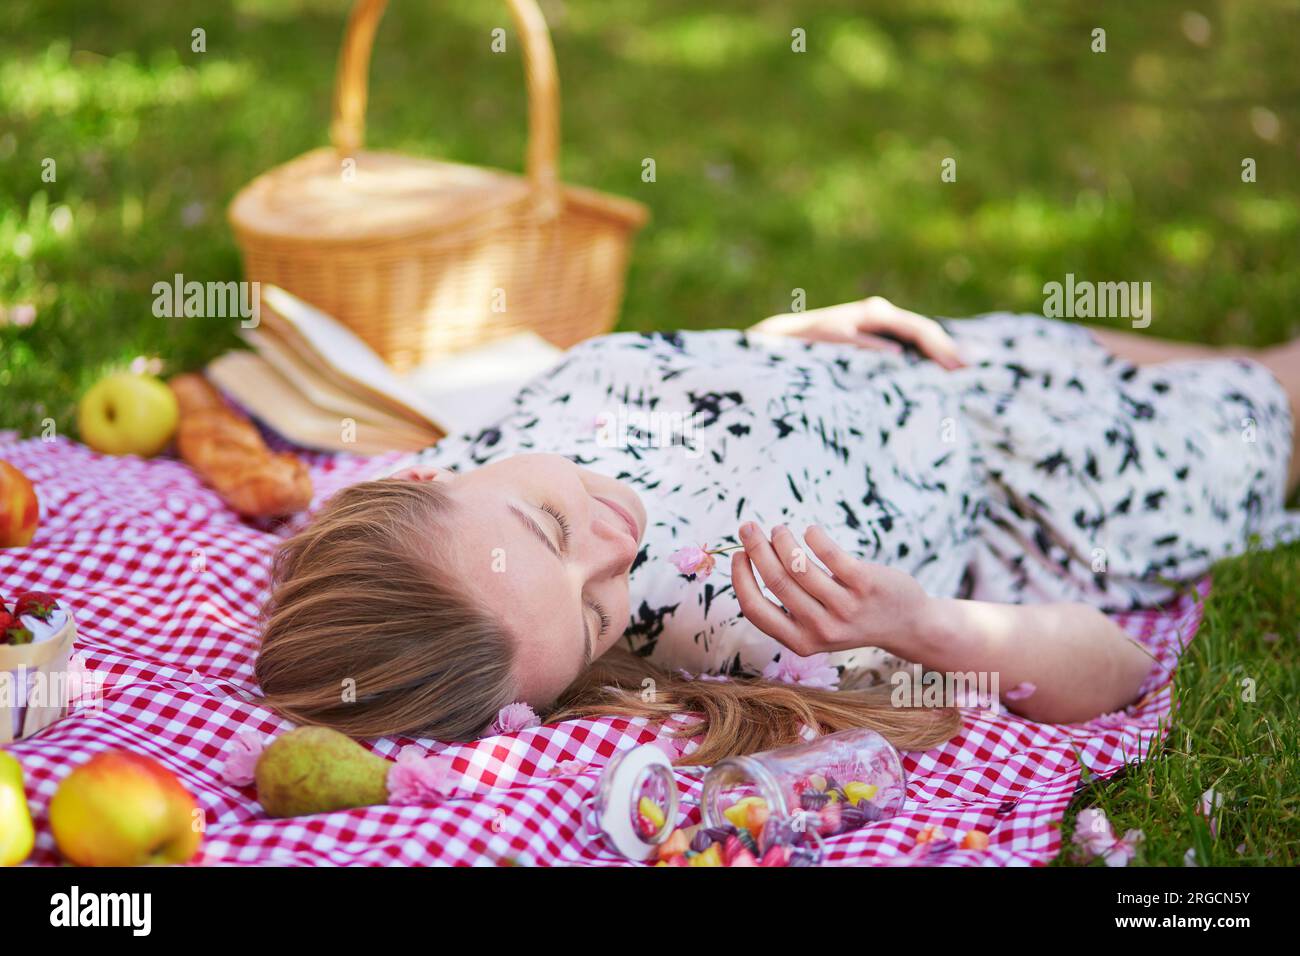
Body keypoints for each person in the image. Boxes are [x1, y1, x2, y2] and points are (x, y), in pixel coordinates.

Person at [254, 297, 1300, 763]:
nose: (610, 548)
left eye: (544, 527)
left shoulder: (493, 429)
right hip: (1076, 487)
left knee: (1255, 357)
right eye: (589, 615)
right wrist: (921, 622)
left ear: (437, 473)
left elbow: (684, 412)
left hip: (961, 360)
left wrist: (774, 352)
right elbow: (1112, 669)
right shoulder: (752, 621)